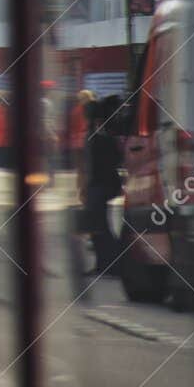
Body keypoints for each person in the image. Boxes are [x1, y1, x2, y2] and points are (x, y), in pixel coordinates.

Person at [81, 98, 122, 276]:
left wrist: (86, 184)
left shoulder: (100, 132)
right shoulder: (102, 131)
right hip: (101, 183)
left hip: (99, 184)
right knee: (98, 225)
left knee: (99, 225)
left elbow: (96, 162)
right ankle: (104, 264)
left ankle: (111, 263)